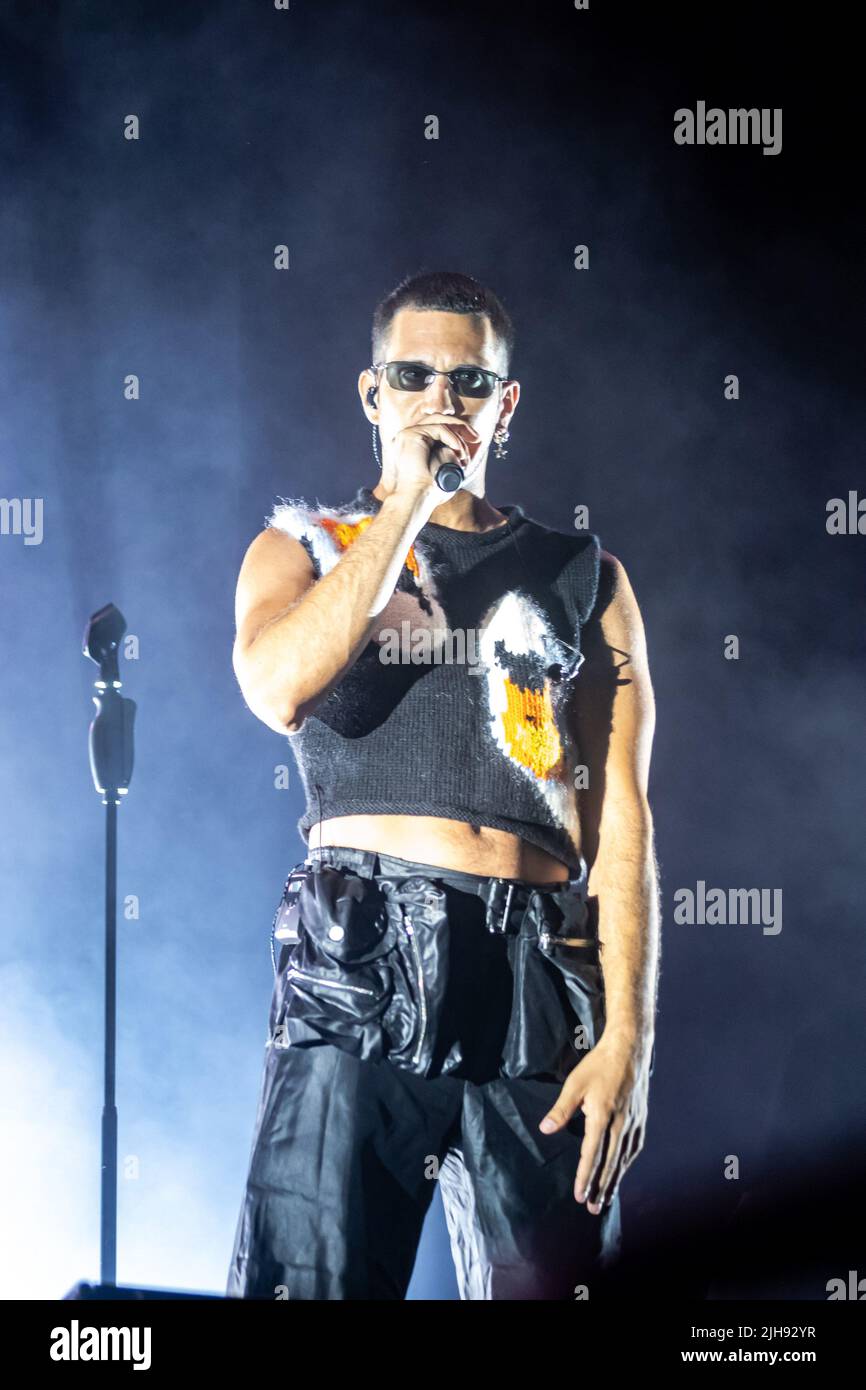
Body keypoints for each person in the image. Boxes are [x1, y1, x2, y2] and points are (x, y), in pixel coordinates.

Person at [225, 270, 660, 1300]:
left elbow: (626, 819)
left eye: (468, 381)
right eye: (412, 376)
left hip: (539, 984)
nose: (440, 400)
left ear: (504, 405)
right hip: (361, 966)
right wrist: (407, 502)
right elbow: (276, 684)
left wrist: (628, 1042)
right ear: (371, 395)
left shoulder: (582, 572)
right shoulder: (303, 545)